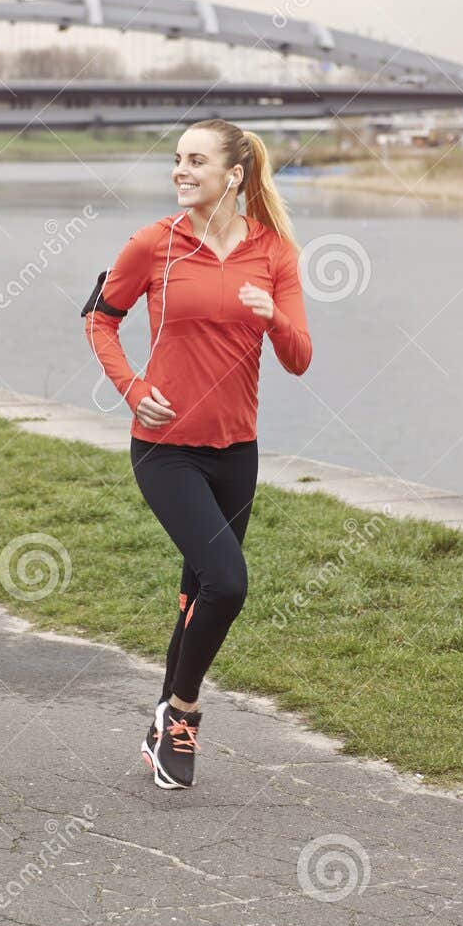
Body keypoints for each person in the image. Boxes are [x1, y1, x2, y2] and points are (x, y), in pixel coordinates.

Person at [83, 118, 312, 790]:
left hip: (236, 451)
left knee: (197, 590)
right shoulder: (154, 244)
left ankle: (161, 727)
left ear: (233, 176)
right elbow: (100, 316)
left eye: (196, 160)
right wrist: (131, 386)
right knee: (228, 581)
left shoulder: (274, 253)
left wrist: (272, 314)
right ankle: (183, 712)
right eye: (177, 159)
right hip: (164, 449)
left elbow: (299, 358)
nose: (181, 170)